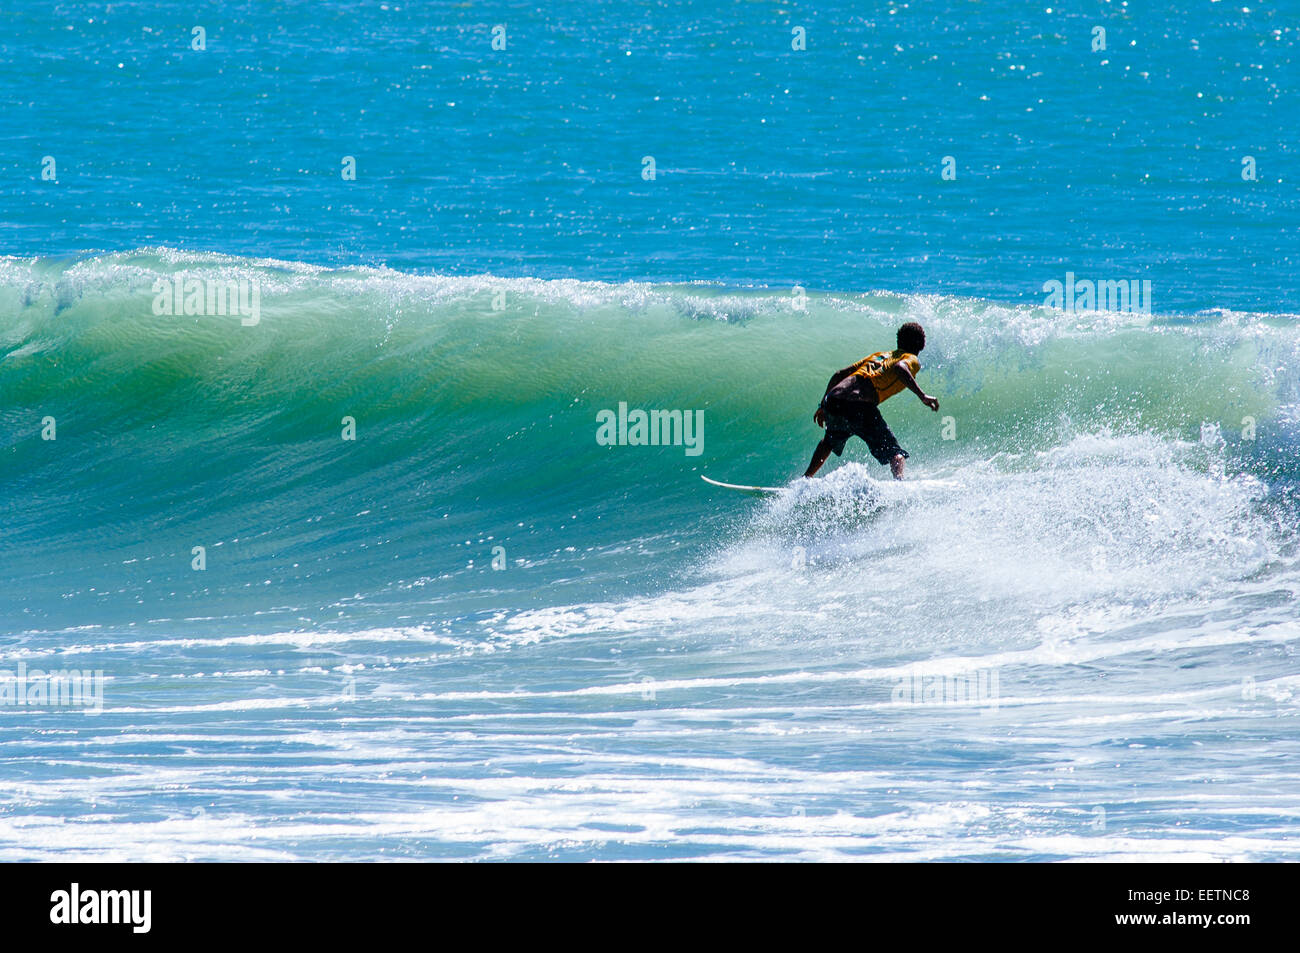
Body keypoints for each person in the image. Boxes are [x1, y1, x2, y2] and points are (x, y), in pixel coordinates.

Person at [804, 321, 939, 480]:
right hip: (859, 405)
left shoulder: (878, 356)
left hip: (834, 400)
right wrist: (922, 395)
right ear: (921, 345)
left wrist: (822, 406)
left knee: (829, 442)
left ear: (898, 341)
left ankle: (805, 479)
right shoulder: (911, 358)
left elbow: (839, 374)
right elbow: (900, 368)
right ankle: (899, 485)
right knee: (895, 453)